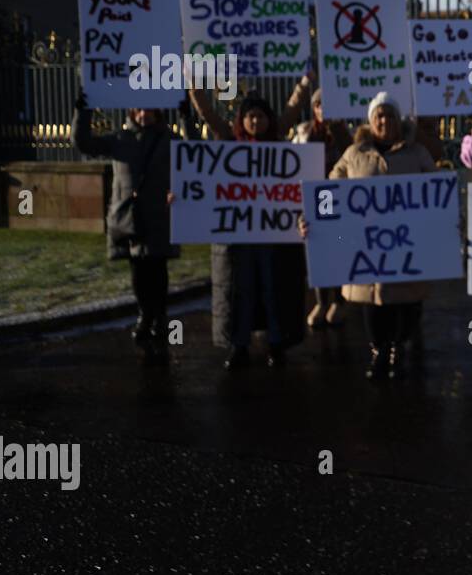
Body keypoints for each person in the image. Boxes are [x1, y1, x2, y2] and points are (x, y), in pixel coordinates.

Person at [70, 94, 195, 365]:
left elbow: (195, 151)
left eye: (148, 109)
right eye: (138, 109)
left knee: (157, 269)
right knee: (137, 268)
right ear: (131, 110)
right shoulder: (120, 139)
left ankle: (159, 315)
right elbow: (83, 143)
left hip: (159, 215)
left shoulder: (169, 139)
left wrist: (187, 117)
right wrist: (83, 110)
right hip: (130, 217)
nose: (143, 114)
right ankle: (145, 314)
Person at [189, 85, 307, 370]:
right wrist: (194, 87)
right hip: (237, 237)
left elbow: (292, 109)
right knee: (239, 290)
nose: (255, 122)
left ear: (269, 120)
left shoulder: (278, 145)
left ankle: (276, 343)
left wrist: (304, 84)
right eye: (250, 116)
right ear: (241, 120)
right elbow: (207, 114)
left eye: (260, 117)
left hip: (272, 236)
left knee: (272, 288)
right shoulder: (229, 144)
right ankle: (238, 345)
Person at [323, 91, 437, 380]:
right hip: (367, 246)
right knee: (374, 305)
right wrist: (311, 218)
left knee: (409, 304)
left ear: (398, 120)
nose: (384, 120)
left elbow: (437, 193)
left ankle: (399, 344)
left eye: (389, 115)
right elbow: (329, 191)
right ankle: (380, 350)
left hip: (406, 244)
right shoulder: (354, 154)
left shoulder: (416, 152)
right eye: (378, 116)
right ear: (371, 121)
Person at [288, 80, 353, 328]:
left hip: (338, 198)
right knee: (315, 250)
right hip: (311, 198)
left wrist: (337, 129)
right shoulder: (303, 131)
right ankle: (320, 301)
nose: (322, 109)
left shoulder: (343, 131)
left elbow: (350, 154)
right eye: (318, 104)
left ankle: (338, 300)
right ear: (313, 108)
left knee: (337, 249)